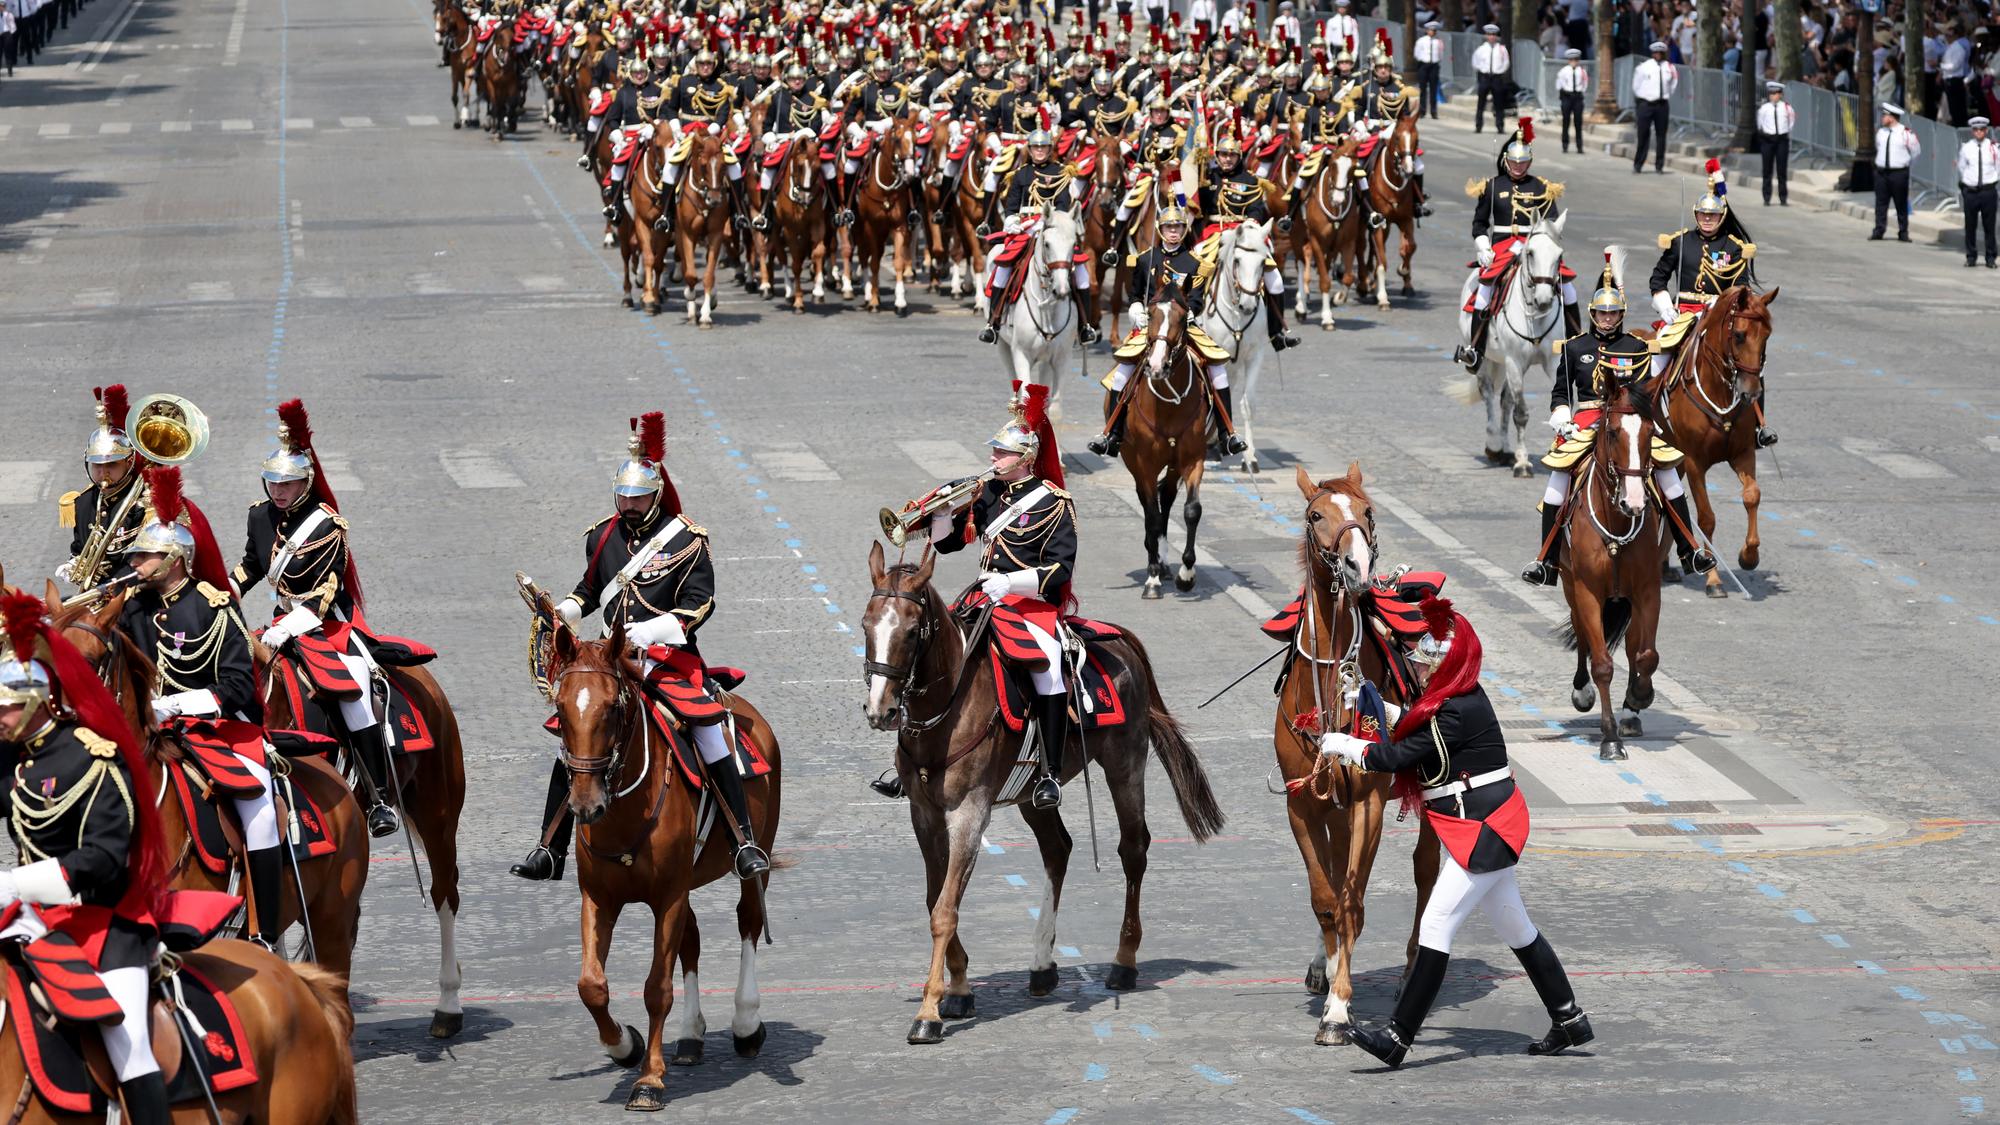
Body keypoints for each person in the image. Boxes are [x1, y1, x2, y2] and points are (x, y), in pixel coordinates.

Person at [1319, 597, 1593, 1069]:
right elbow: (1410, 727)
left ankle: (1397, 1038)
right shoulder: (1454, 701)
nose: (1420, 673)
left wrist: (1343, 744)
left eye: (1427, 666)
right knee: (1516, 927)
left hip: (1483, 829)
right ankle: (1569, 1018)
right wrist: (1368, 702)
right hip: (1483, 824)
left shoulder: (1454, 711)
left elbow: (1398, 755)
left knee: (1435, 924)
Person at [514, 413, 769, 883]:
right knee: (571, 739)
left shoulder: (687, 541)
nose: (628, 506)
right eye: (623, 497)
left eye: (638, 499)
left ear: (655, 496)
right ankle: (550, 848)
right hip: (611, 664)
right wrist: (565, 613)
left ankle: (743, 838)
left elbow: (699, 605)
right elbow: (591, 589)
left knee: (710, 732)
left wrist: (651, 633)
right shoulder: (602, 536)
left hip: (667, 661)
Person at [0, 587, 173, 1123]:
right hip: (36, 921)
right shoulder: (13, 762)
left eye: (3, 707)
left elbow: (104, 858)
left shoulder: (95, 759)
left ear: (33, 701)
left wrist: (16, 883)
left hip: (108, 922)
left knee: (128, 1044)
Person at [878, 386, 1077, 810]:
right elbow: (950, 546)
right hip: (983, 598)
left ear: (1024, 458)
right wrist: (944, 516)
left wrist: (1015, 583)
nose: (992, 458)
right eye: (994, 452)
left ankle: (1051, 773)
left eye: (1001, 453)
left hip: (1029, 606)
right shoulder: (989, 494)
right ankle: (907, 763)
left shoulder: (1055, 504)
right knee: (922, 650)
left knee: (1049, 669)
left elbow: (1060, 568)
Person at [116, 467, 289, 952]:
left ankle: (264, 931)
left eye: (145, 556)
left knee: (259, 809)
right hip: (153, 732)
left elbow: (237, 687)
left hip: (216, 731)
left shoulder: (214, 607)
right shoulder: (132, 609)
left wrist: (172, 704)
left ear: (174, 559)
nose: (136, 563)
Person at [233, 400, 402, 839]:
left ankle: (379, 796)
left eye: (288, 483)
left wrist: (287, 627)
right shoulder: (258, 515)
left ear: (307, 482)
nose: (279, 491)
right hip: (278, 621)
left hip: (327, 623)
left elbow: (325, 595)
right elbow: (252, 564)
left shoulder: (327, 526)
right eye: (273, 482)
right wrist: (223, 592)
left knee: (353, 688)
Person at [1523, 254, 1712, 585]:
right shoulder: (1574, 347)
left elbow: (1647, 386)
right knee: (1558, 481)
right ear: (1592, 314)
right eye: (1601, 313)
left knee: (1668, 472)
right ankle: (1547, 560)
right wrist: (1561, 416)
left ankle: (1688, 549)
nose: (1606, 319)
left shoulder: (1636, 346)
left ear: (1621, 315)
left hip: (1627, 420)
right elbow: (1560, 392)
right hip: (1587, 419)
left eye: (1612, 313)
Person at [1086, 201, 1244, 457]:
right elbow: (1134, 293)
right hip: (1151, 327)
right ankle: (1112, 433)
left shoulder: (1194, 263)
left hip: (1183, 327)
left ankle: (1227, 433)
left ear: (1184, 230)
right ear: (1160, 229)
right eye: (1169, 227)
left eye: (1178, 227)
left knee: (1217, 368)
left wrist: (1191, 310)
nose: (1173, 231)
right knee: (1122, 372)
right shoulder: (1145, 259)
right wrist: (1136, 307)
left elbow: (1197, 298)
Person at [1455, 117, 1578, 370]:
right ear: (1506, 161)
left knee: (1569, 287)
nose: (1518, 167)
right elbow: (1479, 224)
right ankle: (1475, 350)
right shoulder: (1492, 186)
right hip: (1502, 247)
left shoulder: (1542, 187)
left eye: (1523, 162)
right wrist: (1483, 246)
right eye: (1514, 162)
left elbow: (1553, 224)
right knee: (1485, 289)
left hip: (1536, 247)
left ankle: (1577, 343)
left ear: (1529, 162)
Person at [977, 125, 1099, 347]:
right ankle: (993, 322)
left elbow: (1063, 206)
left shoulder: (1062, 172)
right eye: (1036, 147)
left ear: (1050, 149)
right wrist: (1012, 222)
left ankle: (1084, 326)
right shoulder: (1021, 174)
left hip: (1054, 228)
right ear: (1030, 149)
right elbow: (1012, 206)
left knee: (1081, 270)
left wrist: (1050, 223)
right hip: (1026, 228)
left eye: (1043, 147)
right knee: (1003, 264)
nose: (1040, 151)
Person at [1196, 131, 1299, 349]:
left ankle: (1276, 333)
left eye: (1232, 155)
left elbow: (1257, 208)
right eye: (1223, 155)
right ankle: (1191, 321)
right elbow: (1197, 206)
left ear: (1239, 157)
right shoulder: (1208, 178)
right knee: (1194, 267)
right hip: (1216, 232)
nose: (1227, 159)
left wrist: (1252, 221)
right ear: (1217, 155)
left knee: (1276, 280)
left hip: (1244, 234)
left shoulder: (1250, 180)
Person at [58, 385, 147, 592]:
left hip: (134, 593)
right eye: (97, 465)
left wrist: (109, 589)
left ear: (128, 462)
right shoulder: (82, 502)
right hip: (92, 596)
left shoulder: (143, 505)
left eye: (112, 465)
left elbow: (143, 560)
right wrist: (73, 563)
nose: (103, 472)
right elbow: (80, 548)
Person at [1870, 103, 1919, 242]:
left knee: (1901, 203)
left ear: (1892, 117)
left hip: (1899, 173)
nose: (1882, 118)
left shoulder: (1905, 133)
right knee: (1881, 203)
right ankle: (1879, 229)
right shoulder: (1881, 132)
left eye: (1884, 115)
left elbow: (1916, 152)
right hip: (1882, 172)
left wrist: (1906, 166)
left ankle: (1903, 231)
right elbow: (1878, 147)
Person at [1630, 40, 1676, 173]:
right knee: (1643, 134)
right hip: (1646, 104)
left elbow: (1673, 83)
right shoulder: (1644, 67)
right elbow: (1636, 85)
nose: (1658, 54)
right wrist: (1642, 99)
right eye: (1655, 52)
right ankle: (1638, 164)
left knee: (1661, 136)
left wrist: (1666, 95)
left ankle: (1659, 165)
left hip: (1662, 105)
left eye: (1660, 52)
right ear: (1652, 53)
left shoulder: (1669, 67)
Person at [1959, 116, 1999, 268]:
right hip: (1971, 191)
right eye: (1976, 130)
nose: (1979, 132)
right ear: (1972, 131)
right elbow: (1962, 167)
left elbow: (1998, 167)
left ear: (1986, 131)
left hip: (1988, 191)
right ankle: (1971, 256)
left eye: (1981, 129)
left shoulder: (1994, 148)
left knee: (1989, 226)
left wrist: (1992, 180)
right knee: (1970, 225)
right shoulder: (1966, 147)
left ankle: (1990, 257)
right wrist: (1967, 184)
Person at [1755, 81, 1795, 205]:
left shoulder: (1787, 107)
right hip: (1768, 140)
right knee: (1767, 170)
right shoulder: (1764, 108)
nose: (1774, 96)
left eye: (1776, 93)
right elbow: (1760, 123)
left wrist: (1784, 132)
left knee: (1782, 170)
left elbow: (1791, 122)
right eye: (1771, 93)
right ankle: (1766, 197)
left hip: (1782, 140)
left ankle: (1783, 198)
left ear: (1781, 94)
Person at [1470, 24, 1511, 134]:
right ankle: (1478, 125)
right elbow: (1475, 62)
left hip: (1497, 77)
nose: (1492, 37)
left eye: (1494, 34)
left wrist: (1500, 71)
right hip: (1485, 76)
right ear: (1486, 36)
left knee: (1498, 103)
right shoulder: (1481, 49)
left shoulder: (1501, 49)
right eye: (1489, 34)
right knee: (1481, 103)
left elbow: (1506, 62)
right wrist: (1481, 70)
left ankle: (1500, 126)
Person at [1556, 48, 1588, 152]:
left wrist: (1581, 92)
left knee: (1578, 122)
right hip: (1567, 97)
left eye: (1576, 59)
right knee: (1566, 121)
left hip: (1578, 97)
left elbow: (1585, 83)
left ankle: (1579, 146)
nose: (1574, 62)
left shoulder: (1582, 71)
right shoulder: (1564, 71)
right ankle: (1565, 144)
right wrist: (1564, 94)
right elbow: (1559, 84)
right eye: (1572, 59)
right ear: (1569, 60)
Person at [1414, 20, 1443, 118]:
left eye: (1434, 30)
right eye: (1430, 30)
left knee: (1434, 89)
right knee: (1422, 89)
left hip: (1434, 65)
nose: (1432, 32)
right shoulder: (1421, 41)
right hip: (1424, 65)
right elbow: (1417, 53)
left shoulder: (1438, 41)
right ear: (1427, 30)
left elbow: (1441, 54)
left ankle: (1434, 111)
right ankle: (1422, 110)